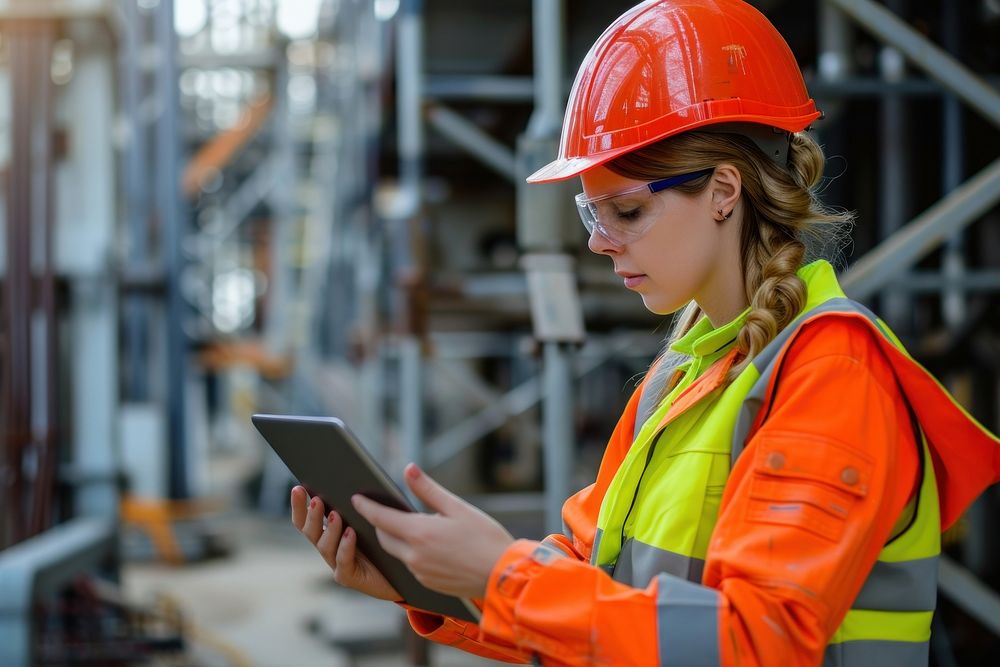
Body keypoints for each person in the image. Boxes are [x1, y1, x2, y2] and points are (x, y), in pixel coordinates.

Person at [291, 1, 1000, 664]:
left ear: (725, 191)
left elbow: (755, 642)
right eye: (591, 214)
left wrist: (504, 575)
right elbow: (597, 594)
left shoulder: (835, 375)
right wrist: (434, 584)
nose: (601, 243)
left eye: (625, 212)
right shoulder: (687, 368)